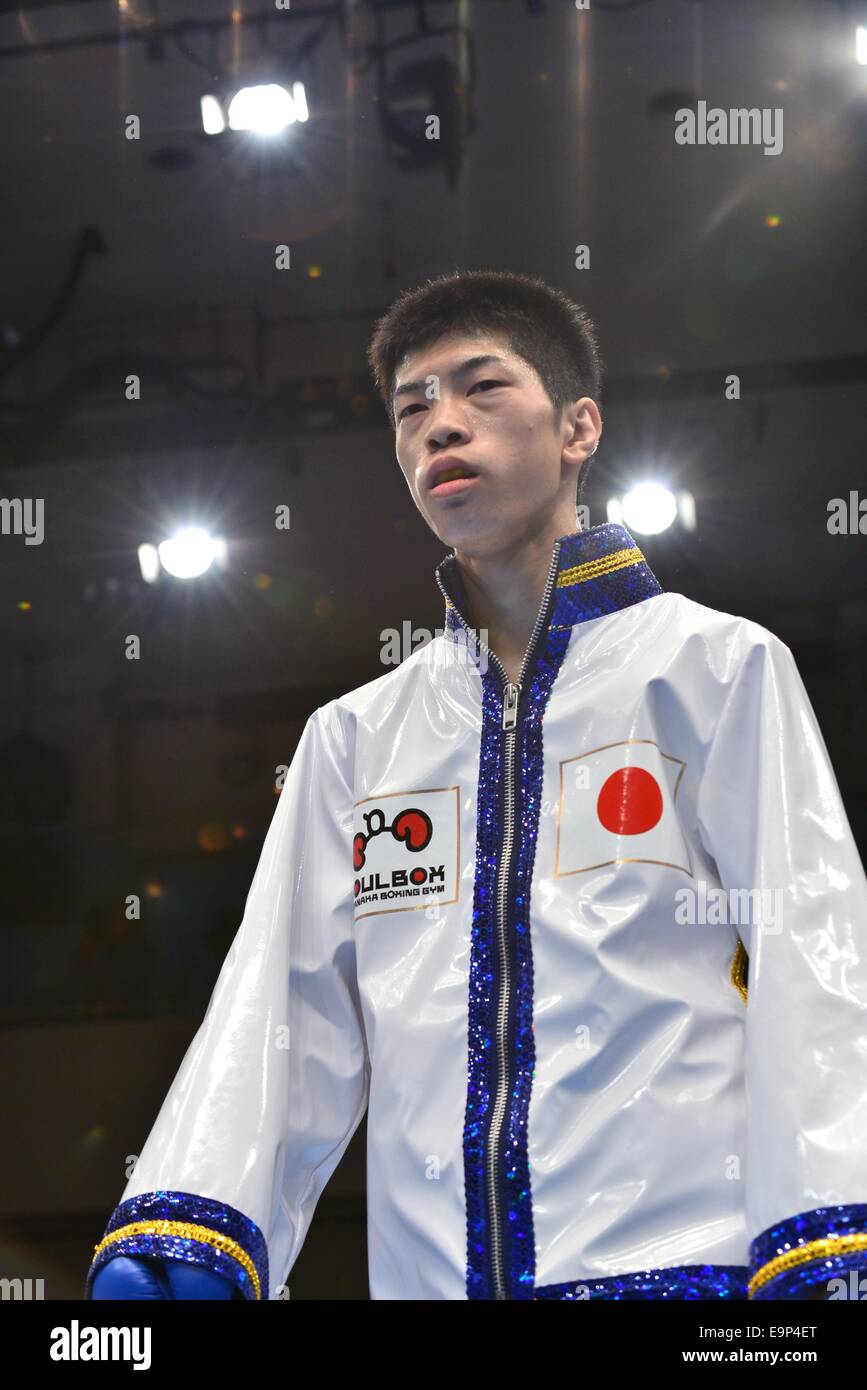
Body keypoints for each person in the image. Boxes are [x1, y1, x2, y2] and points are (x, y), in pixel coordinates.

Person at [88, 270, 867, 1301]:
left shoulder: (718, 669)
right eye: (411, 408)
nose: (438, 425)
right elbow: (285, 1003)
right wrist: (191, 1225)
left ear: (577, 426)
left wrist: (830, 1231)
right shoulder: (354, 739)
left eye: (481, 389)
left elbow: (813, 950)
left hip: (679, 1274)